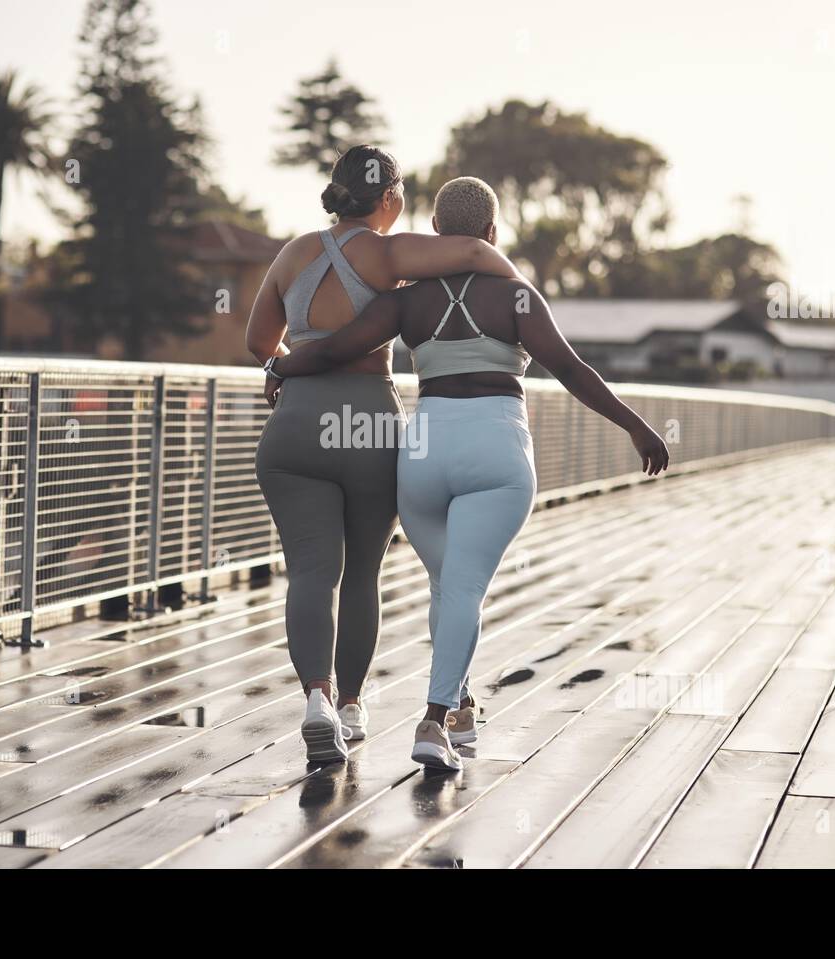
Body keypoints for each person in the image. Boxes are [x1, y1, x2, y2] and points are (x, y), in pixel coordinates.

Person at [268, 176, 670, 770]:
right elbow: (571, 368)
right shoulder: (517, 296)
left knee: (447, 588)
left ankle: (458, 707)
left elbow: (334, 348)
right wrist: (636, 425)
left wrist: (283, 368)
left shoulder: (406, 301)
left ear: (436, 233)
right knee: (463, 591)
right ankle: (433, 722)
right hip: (495, 450)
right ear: (491, 233)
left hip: (424, 454)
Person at [246, 148, 525, 764]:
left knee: (313, 572)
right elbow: (476, 255)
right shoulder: (390, 252)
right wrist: (519, 293)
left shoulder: (293, 253)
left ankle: (315, 697)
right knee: (363, 572)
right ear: (391, 199)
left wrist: (283, 366)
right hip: (367, 425)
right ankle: (351, 704)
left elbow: (257, 341)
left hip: (296, 426)